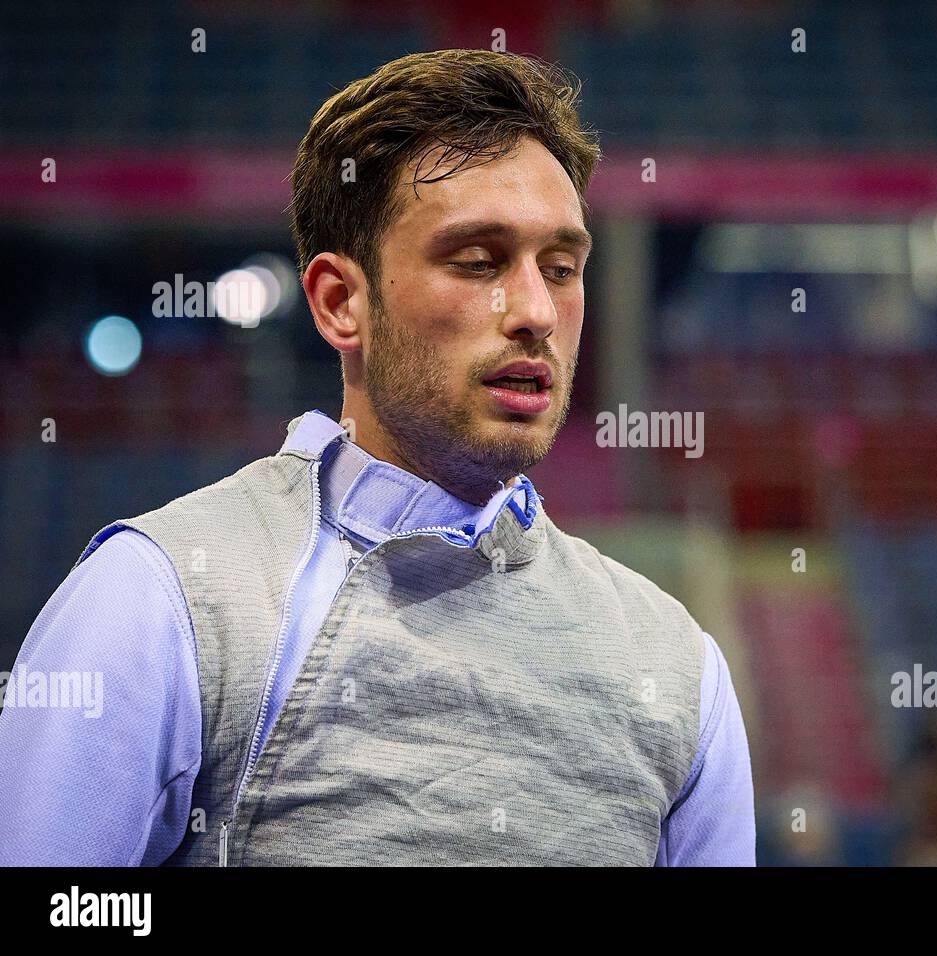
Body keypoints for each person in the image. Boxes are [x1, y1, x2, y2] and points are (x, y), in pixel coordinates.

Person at [0, 49, 754, 866]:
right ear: (340, 302)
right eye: (478, 261)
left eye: (562, 267)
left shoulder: (677, 669)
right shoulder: (160, 600)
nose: (536, 310)